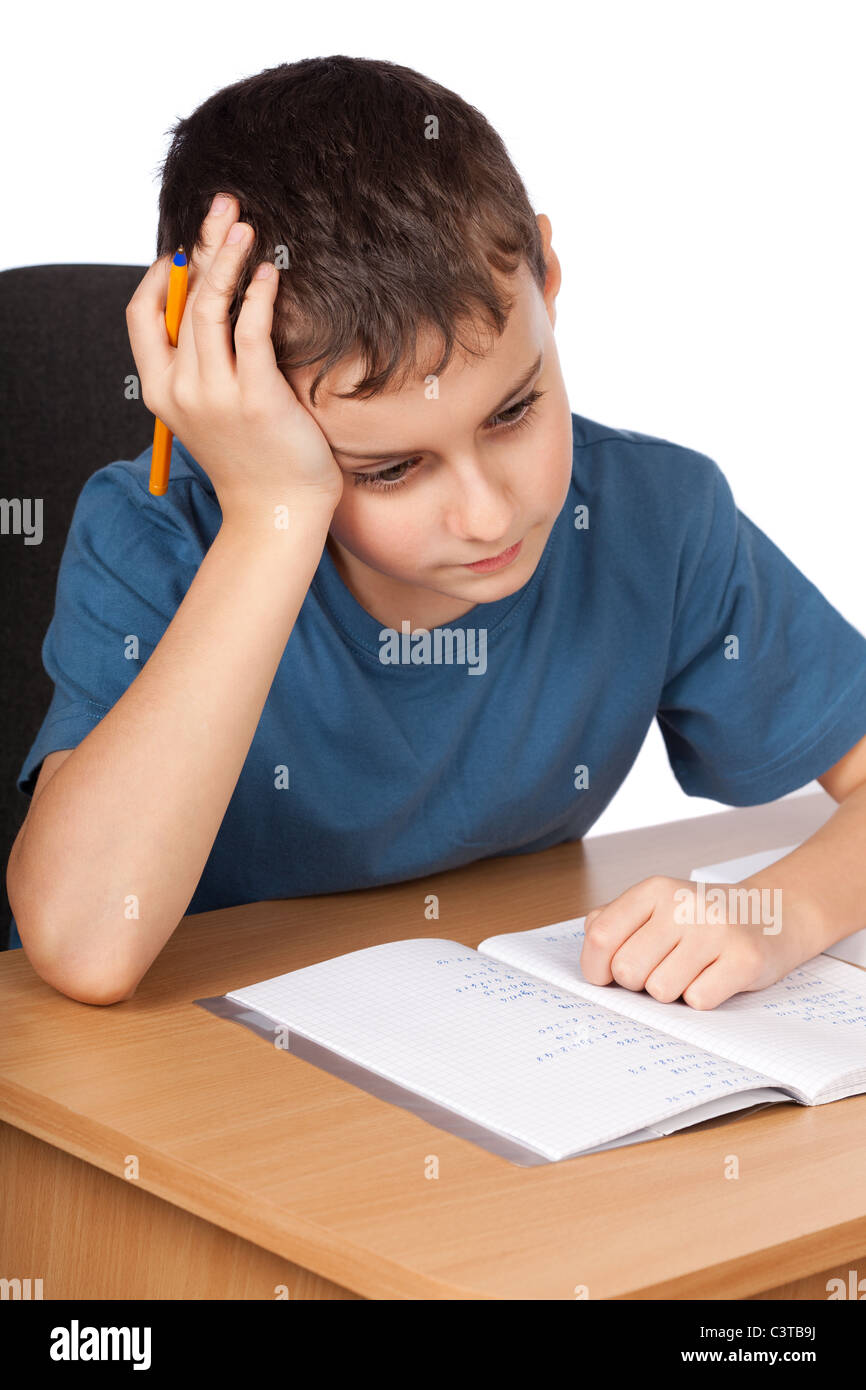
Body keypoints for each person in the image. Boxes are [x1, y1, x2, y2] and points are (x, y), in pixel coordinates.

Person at [8, 56, 866, 1010]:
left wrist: (777, 913)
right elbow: (85, 945)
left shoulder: (656, 518)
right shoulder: (154, 538)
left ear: (544, 275)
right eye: (388, 469)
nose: (490, 513)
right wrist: (272, 519)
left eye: (514, 411)